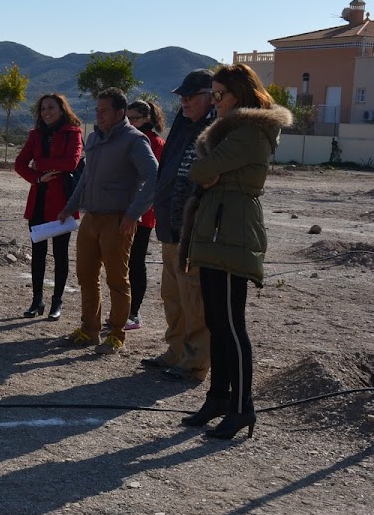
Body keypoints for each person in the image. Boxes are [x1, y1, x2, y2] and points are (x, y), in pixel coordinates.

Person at [179, 64, 292, 440]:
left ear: (239, 95)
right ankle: (218, 399)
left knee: (231, 325)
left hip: (233, 231)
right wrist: (210, 171)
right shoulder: (234, 132)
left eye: (219, 95)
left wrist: (210, 171)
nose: (214, 102)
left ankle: (243, 407)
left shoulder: (250, 131)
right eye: (212, 94)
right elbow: (205, 170)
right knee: (217, 323)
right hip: (217, 230)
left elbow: (202, 169)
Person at [57, 88, 158, 354]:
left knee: (117, 280)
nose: (98, 115)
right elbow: (87, 178)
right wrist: (70, 208)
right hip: (91, 218)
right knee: (86, 277)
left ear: (120, 112)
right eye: (97, 110)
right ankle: (89, 330)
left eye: (104, 111)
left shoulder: (134, 141)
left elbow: (154, 177)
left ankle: (116, 333)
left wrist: (133, 214)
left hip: (118, 221)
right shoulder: (94, 138)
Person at [143, 70, 216, 382]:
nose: (184, 102)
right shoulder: (184, 124)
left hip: (193, 228)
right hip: (170, 225)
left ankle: (196, 361)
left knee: (194, 298)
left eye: (190, 96)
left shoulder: (215, 129)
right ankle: (175, 351)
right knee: (172, 294)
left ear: (210, 96)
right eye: (182, 97)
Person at [14, 93, 83, 321]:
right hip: (39, 202)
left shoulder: (73, 132)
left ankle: (57, 302)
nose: (46, 112)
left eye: (51, 107)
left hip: (62, 202)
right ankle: (37, 300)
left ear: (62, 109)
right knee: (38, 253)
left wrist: (40, 164)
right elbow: (20, 164)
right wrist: (38, 178)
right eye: (43, 108)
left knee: (60, 254)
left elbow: (71, 163)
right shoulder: (35, 135)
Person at [122, 98, 166, 330]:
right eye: (127, 118)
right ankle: (122, 310)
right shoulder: (127, 137)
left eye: (135, 118)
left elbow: (154, 180)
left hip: (144, 213)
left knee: (136, 262)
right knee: (121, 263)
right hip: (123, 209)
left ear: (147, 118)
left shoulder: (156, 143)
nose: (130, 122)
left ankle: (134, 312)